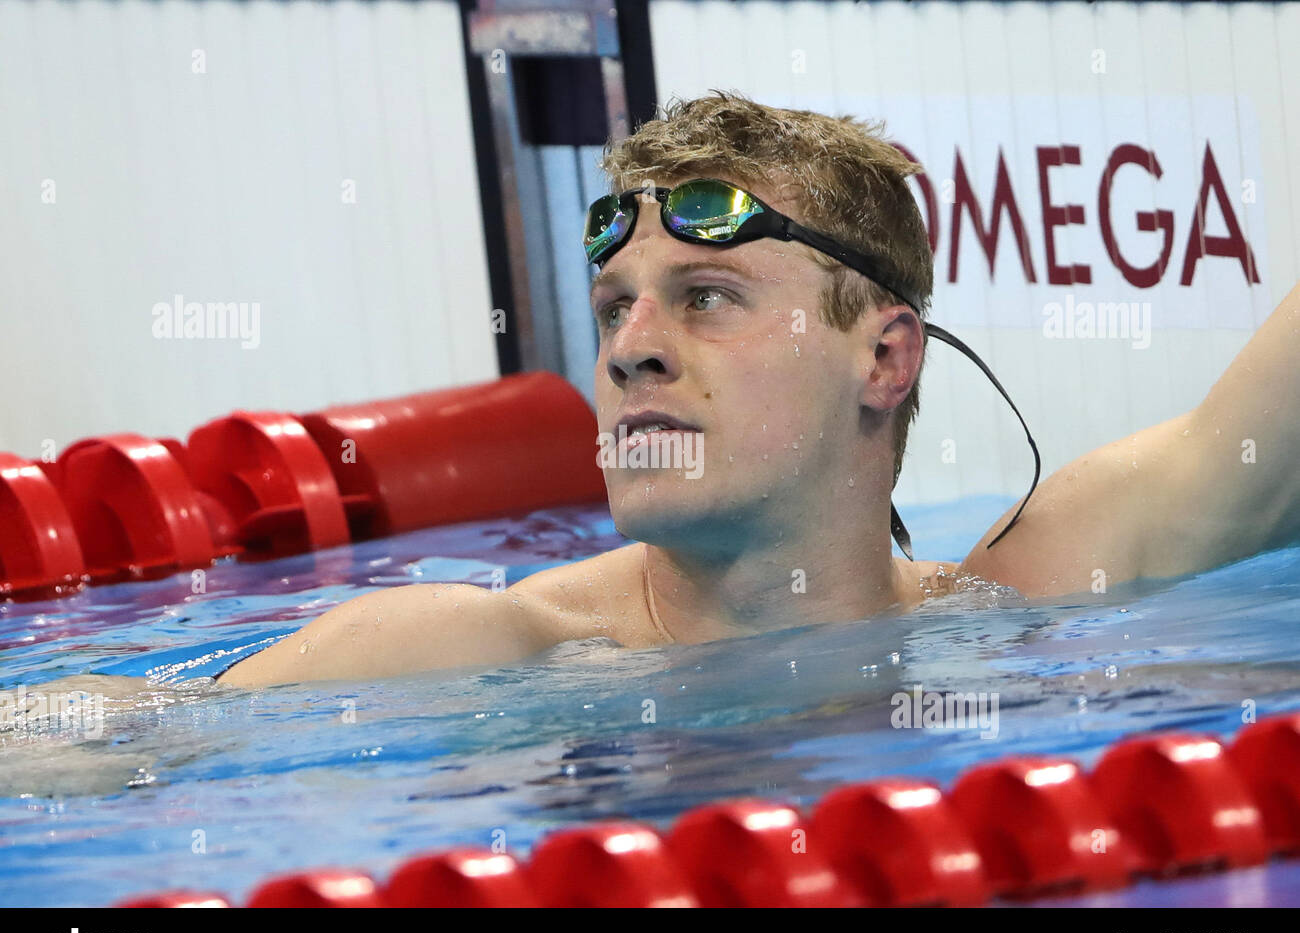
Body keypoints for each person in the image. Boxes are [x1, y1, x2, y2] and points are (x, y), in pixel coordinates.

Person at [217, 92, 1300, 688]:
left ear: (884, 359)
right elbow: (98, 740)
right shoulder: (465, 651)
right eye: (613, 306)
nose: (627, 352)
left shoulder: (1023, 595)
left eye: (706, 298)